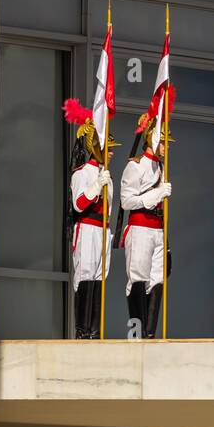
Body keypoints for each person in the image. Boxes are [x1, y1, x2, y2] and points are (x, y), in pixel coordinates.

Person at [63, 98, 118, 338]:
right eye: (109, 146)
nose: (113, 151)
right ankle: (82, 331)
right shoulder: (83, 173)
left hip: (102, 230)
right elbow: (78, 203)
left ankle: (95, 331)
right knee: (85, 277)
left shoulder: (105, 174)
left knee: (98, 279)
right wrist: (96, 185)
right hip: (86, 229)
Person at [118, 113, 173, 338]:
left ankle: (150, 333)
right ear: (151, 140)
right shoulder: (136, 166)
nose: (166, 147)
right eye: (163, 142)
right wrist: (155, 194)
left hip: (157, 229)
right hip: (140, 227)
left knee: (157, 280)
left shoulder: (160, 168)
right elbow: (126, 201)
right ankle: (137, 334)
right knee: (138, 279)